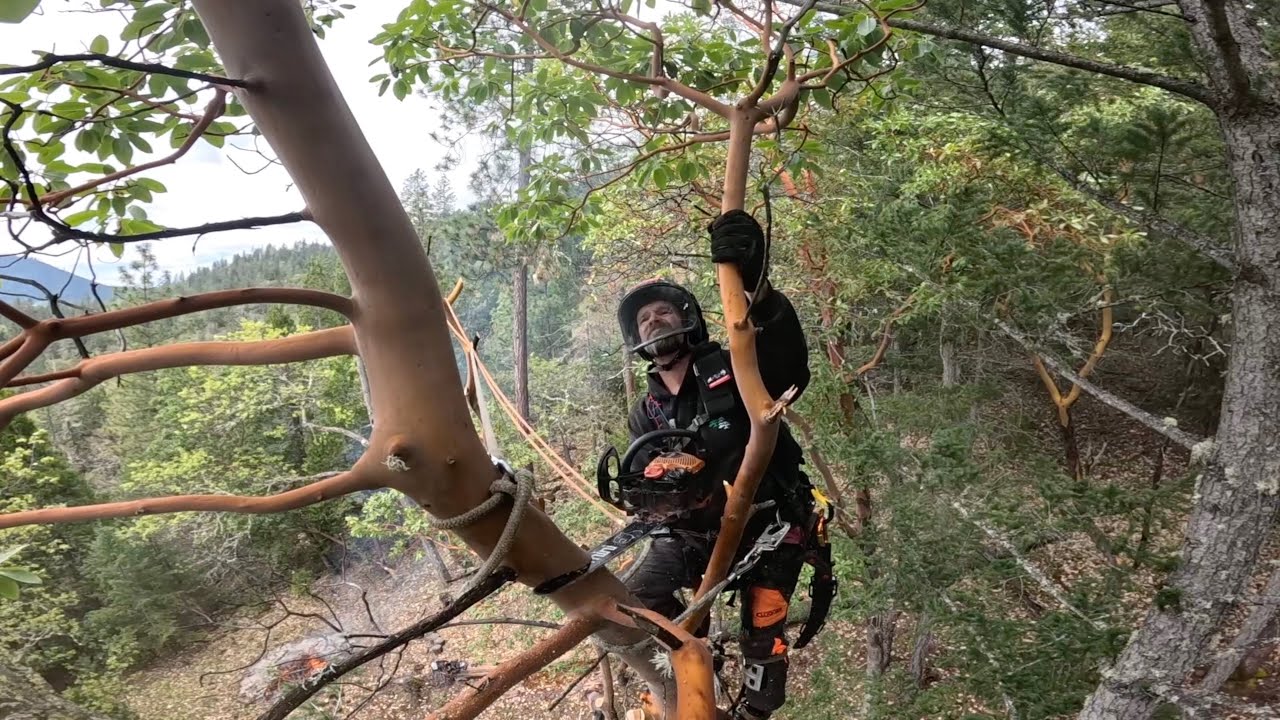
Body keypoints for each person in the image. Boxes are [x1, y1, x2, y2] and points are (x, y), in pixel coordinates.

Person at [616, 210, 814, 720]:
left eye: (662, 312)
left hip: (769, 527)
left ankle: (753, 713)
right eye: (643, 319)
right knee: (635, 596)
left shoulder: (732, 365)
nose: (652, 321)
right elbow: (649, 482)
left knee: (762, 646)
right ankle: (689, 650)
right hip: (694, 535)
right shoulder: (647, 410)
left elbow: (789, 366)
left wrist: (757, 287)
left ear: (687, 318)